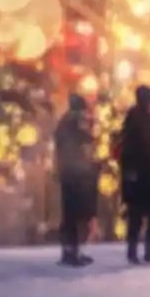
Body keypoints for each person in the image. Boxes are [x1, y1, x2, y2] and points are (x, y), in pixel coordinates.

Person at [120, 85, 150, 264]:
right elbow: (144, 145)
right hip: (142, 174)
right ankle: (137, 251)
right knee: (137, 215)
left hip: (149, 173)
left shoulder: (142, 118)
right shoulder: (137, 119)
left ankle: (146, 251)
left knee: (149, 214)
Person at [54, 95, 97, 267]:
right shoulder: (70, 125)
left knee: (73, 216)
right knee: (73, 216)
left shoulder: (66, 124)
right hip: (73, 176)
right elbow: (78, 144)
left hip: (72, 174)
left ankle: (72, 252)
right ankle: (70, 253)